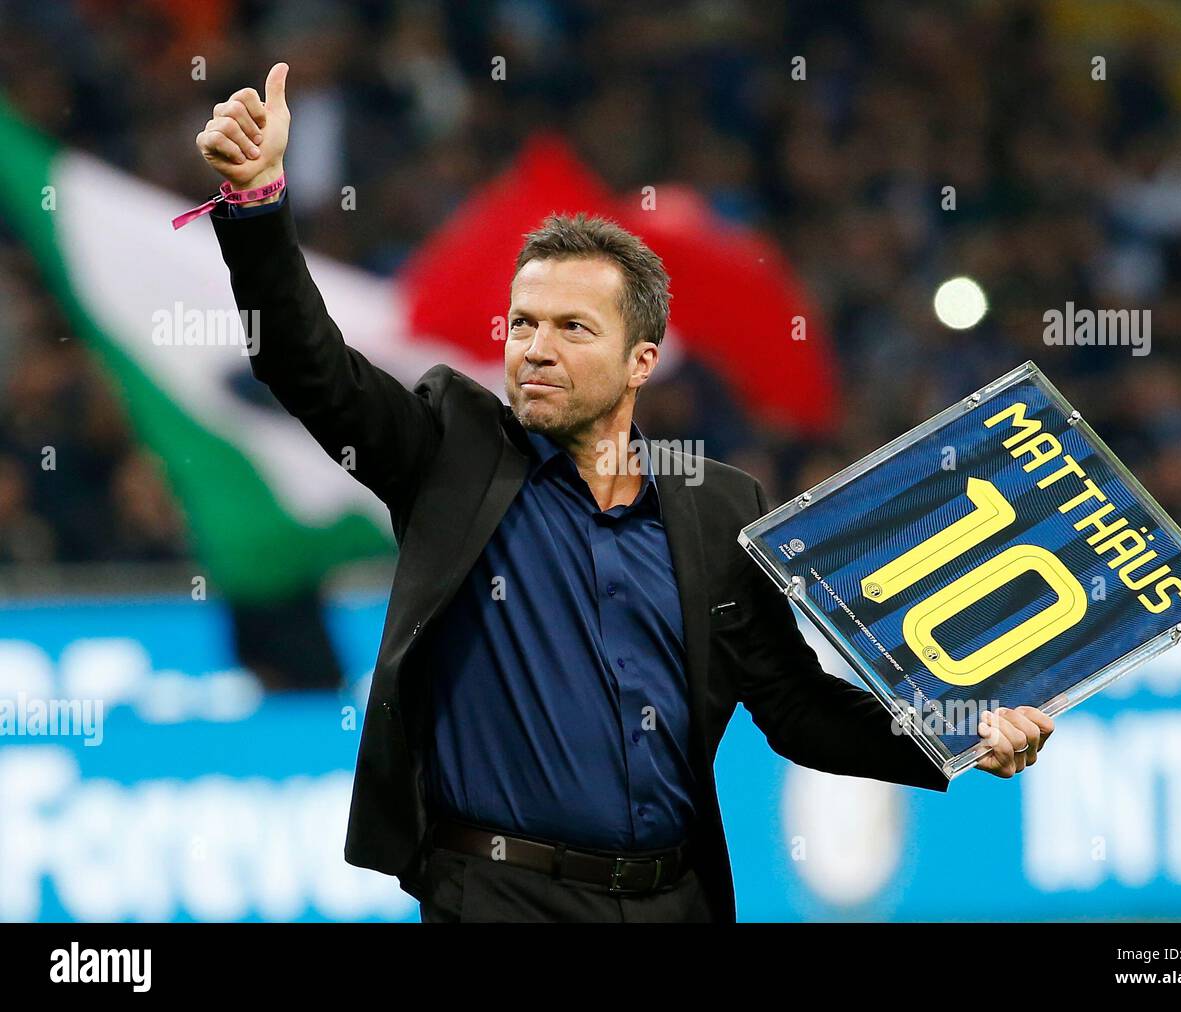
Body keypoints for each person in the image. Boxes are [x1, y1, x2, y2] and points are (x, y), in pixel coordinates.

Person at [193, 63, 1054, 923]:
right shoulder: (450, 451)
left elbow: (796, 708)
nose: (534, 348)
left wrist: (956, 730)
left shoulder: (721, 508)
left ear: (643, 359)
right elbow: (306, 367)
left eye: (572, 328)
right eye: (522, 324)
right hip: (498, 897)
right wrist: (258, 204)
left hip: (672, 901)